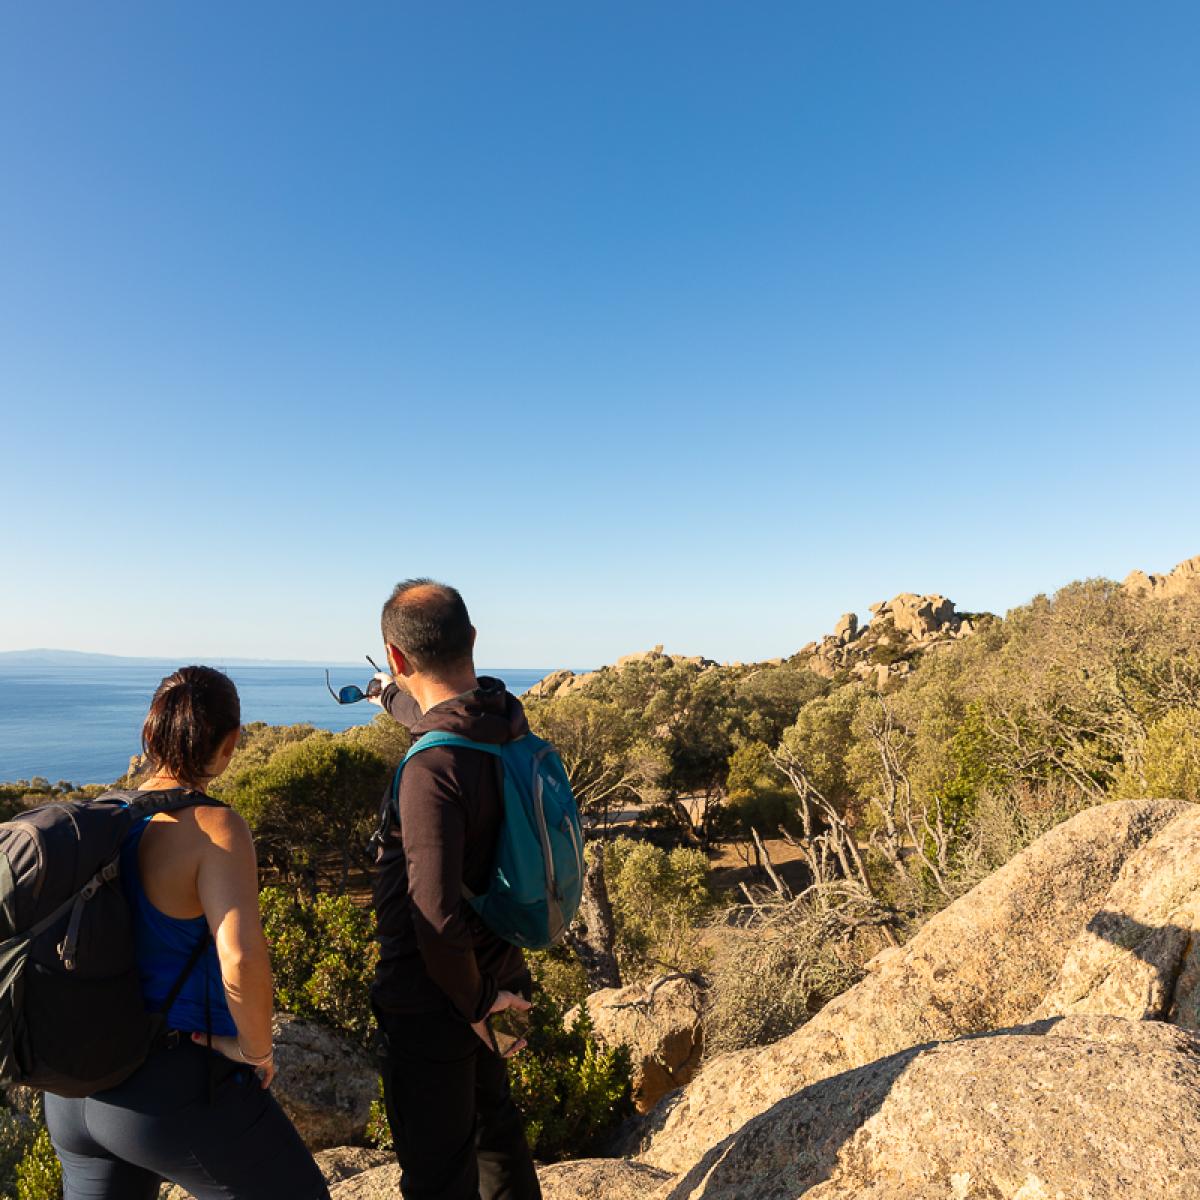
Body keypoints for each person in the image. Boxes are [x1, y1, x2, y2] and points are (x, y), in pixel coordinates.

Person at [44, 666, 329, 1200]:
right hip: (168, 1088)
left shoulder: (97, 816)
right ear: (231, 743)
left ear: (149, 735)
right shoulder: (214, 828)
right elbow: (240, 959)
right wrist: (257, 1050)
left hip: (72, 1092)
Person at [369, 579, 542, 1200]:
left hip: (436, 1000)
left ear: (397, 655)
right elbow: (436, 713)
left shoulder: (430, 770)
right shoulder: (505, 720)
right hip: (502, 970)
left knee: (438, 1171)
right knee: (497, 1138)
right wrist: (387, 697)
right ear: (472, 638)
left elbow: (434, 916)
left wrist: (472, 1004)